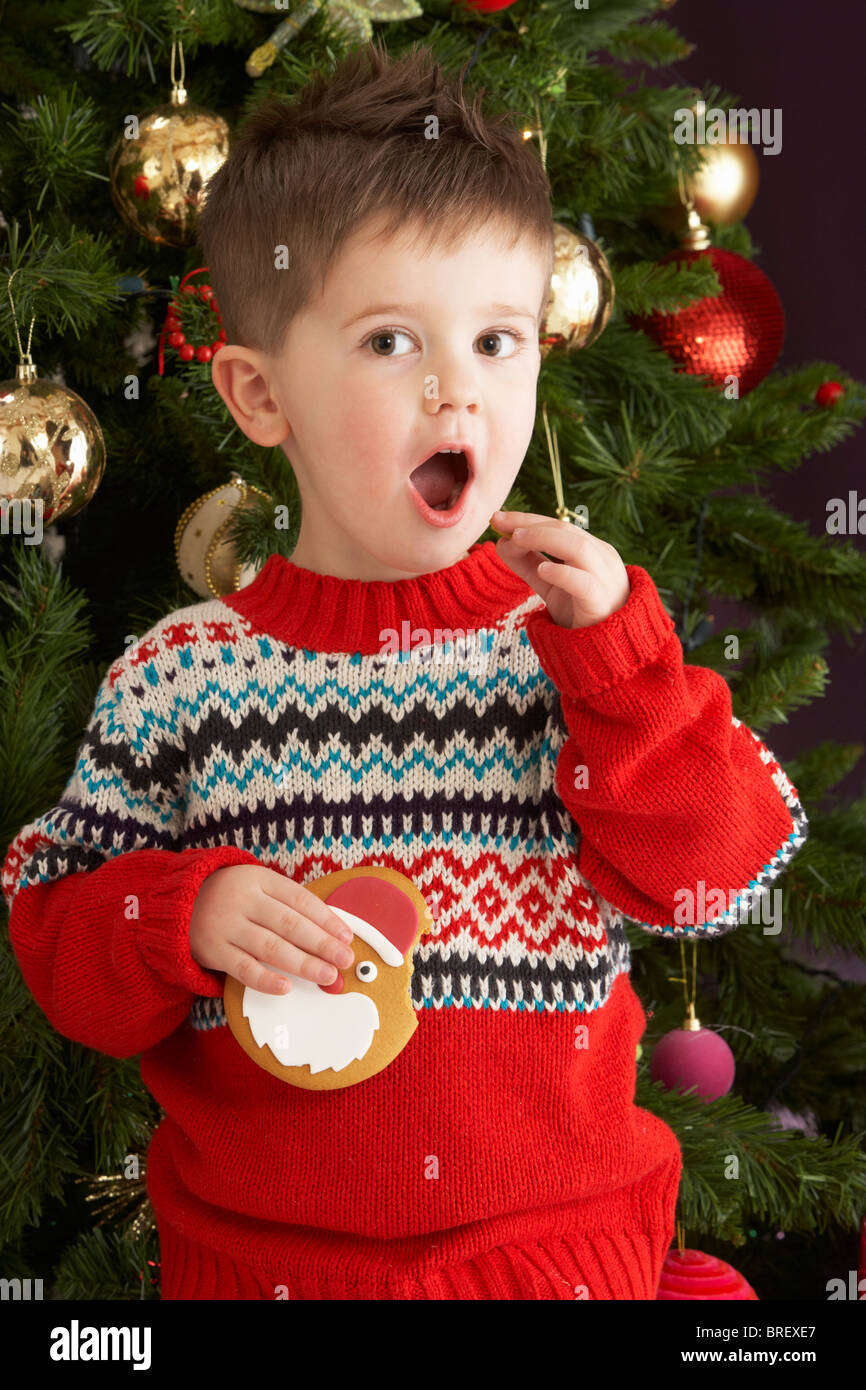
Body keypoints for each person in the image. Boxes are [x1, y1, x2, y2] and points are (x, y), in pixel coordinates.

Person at [2, 41, 808, 1300]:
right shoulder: (181, 679)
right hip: (265, 1279)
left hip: (558, 1269)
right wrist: (180, 917)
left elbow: (715, 875)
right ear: (260, 396)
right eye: (389, 342)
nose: (458, 394)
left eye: (497, 340)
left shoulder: (581, 653)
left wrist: (628, 675)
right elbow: (60, 943)